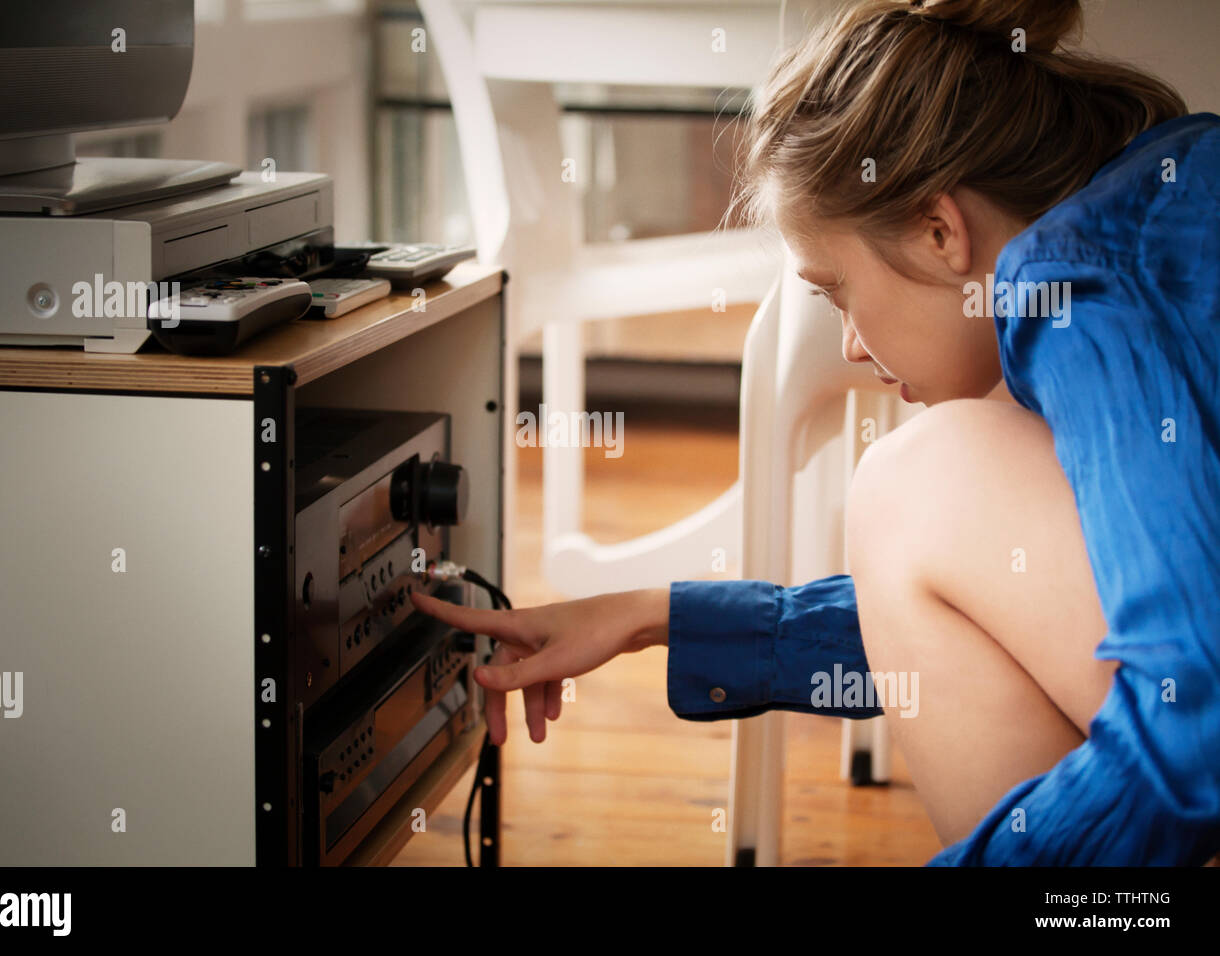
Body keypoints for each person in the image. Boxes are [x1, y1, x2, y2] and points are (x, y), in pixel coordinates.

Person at [411, 0, 1220, 865]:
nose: (850, 345)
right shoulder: (1158, 208)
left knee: (915, 480)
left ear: (941, 230)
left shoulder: (1082, 293)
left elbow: (1195, 720)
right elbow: (1036, 623)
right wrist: (653, 617)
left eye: (835, 289)